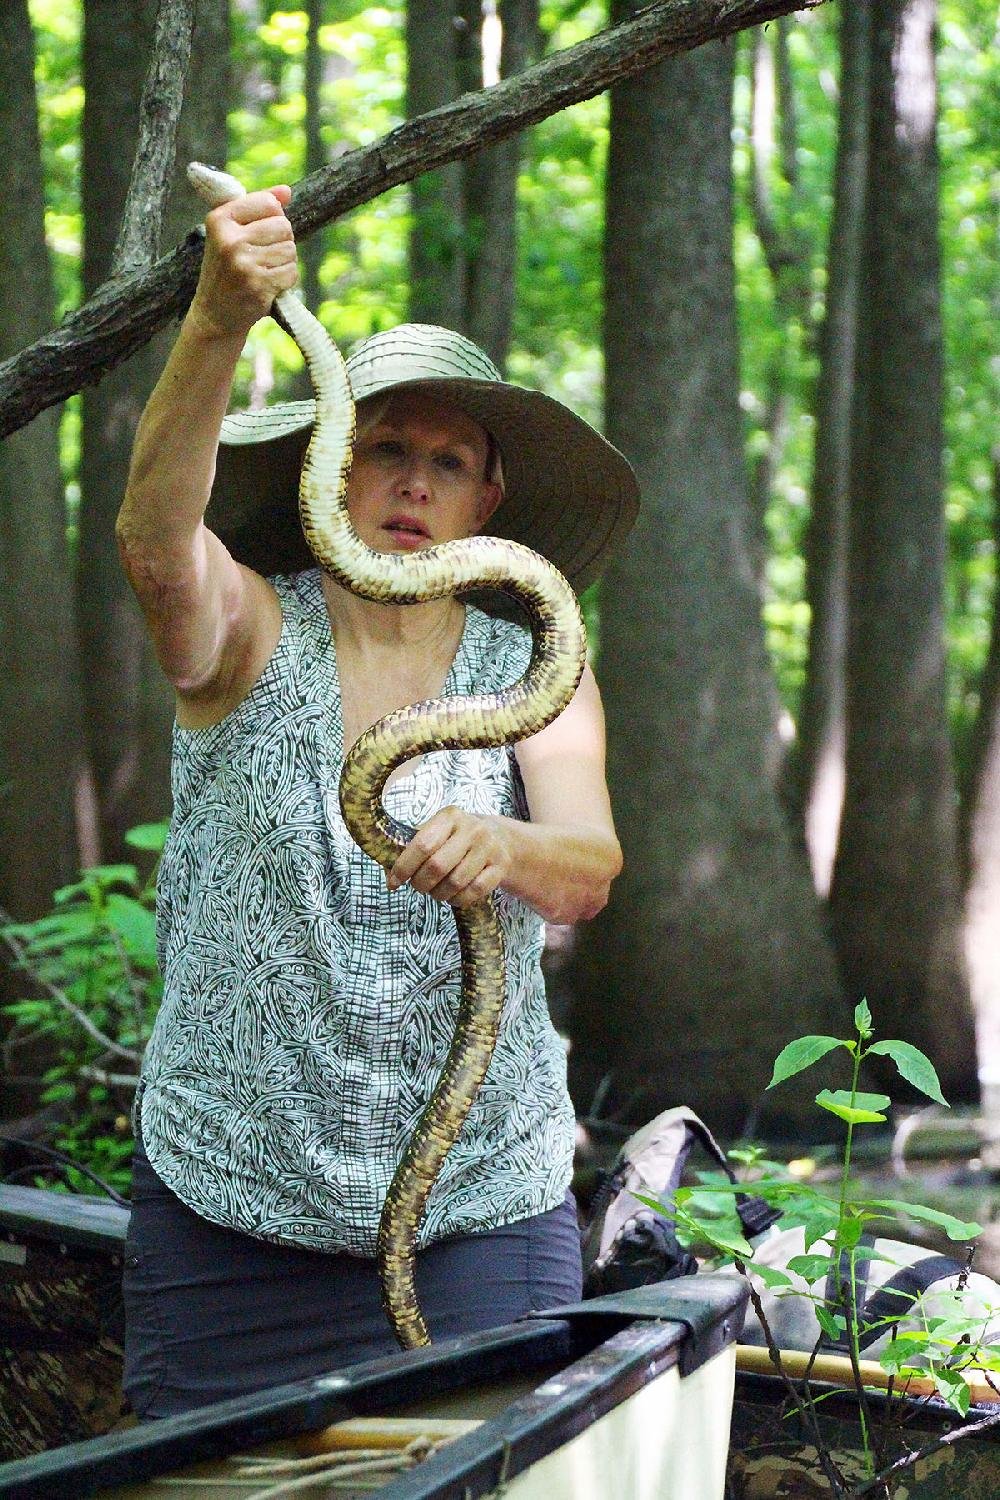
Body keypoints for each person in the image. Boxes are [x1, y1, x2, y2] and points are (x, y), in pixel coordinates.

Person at [116, 184, 639, 1419]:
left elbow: (589, 866)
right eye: (387, 449)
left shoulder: (537, 667)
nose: (413, 484)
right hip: (229, 1207)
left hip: (479, 1218)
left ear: (485, 505)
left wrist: (505, 842)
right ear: (331, 468)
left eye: (447, 462)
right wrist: (217, 320)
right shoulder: (245, 628)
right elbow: (153, 544)